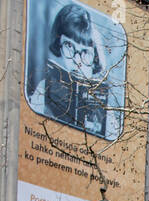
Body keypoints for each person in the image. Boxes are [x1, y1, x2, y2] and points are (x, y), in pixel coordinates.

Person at [26, 3, 123, 140]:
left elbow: (114, 144)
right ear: (59, 44)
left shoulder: (105, 106)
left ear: (94, 57)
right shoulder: (43, 87)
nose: (77, 60)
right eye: (69, 46)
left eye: (85, 52)